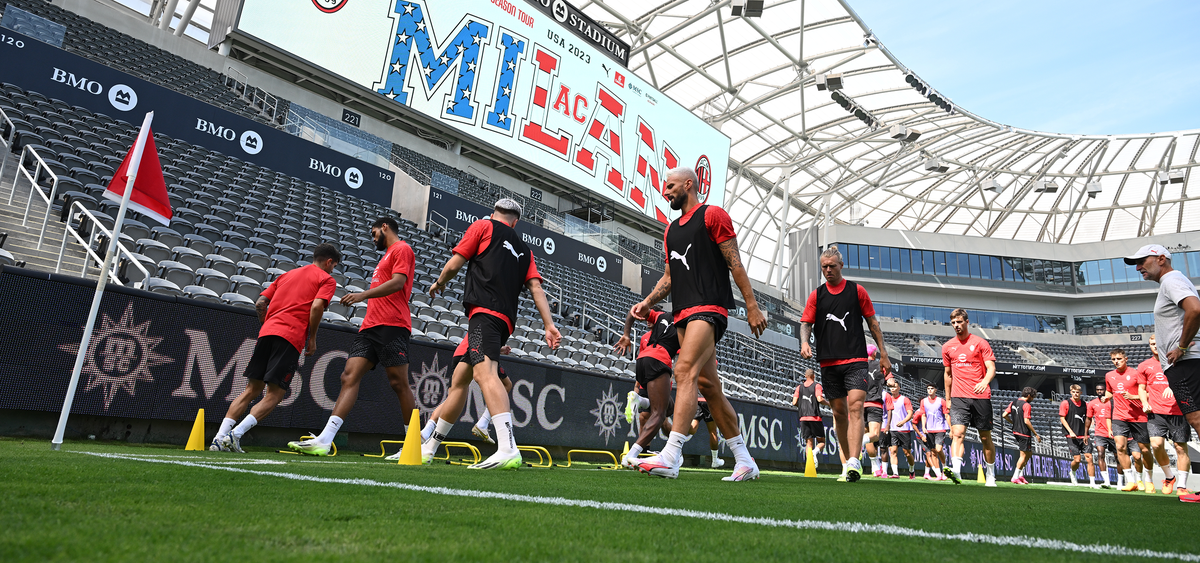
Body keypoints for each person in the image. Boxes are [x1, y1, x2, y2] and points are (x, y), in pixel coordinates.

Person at [632, 167, 767, 481]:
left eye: (670, 186)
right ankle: (744, 459)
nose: (665, 192)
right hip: (682, 312)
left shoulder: (713, 215)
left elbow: (735, 263)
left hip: (710, 307)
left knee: (683, 370)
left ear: (688, 184)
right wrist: (648, 303)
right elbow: (668, 277)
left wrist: (751, 305)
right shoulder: (670, 230)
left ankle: (671, 454)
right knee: (709, 386)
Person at [422, 198, 562, 469]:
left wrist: (439, 282)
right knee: (460, 381)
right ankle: (430, 447)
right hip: (503, 320)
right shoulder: (525, 249)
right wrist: (549, 324)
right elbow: (536, 288)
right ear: (516, 222)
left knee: (483, 375)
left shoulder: (482, 226)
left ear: (493, 213)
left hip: (483, 314)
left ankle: (507, 447)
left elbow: (455, 263)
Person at [289, 218, 416, 456]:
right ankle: (325, 440)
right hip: (369, 327)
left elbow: (398, 283)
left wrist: (363, 295)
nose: (373, 236)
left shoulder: (402, 249)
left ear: (385, 227)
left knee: (399, 384)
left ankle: (413, 444)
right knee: (348, 376)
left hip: (393, 325)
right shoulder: (387, 255)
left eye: (374, 232)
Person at [211, 244, 340, 452]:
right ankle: (235, 436)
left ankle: (218, 438)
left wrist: (267, 325)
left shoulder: (287, 275)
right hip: (290, 337)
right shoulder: (326, 279)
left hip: (267, 333)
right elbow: (317, 306)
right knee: (274, 395)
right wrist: (313, 338)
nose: (333, 270)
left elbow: (260, 303)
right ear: (329, 262)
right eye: (334, 266)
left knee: (250, 390)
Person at [799, 245, 891, 482]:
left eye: (832, 266)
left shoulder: (856, 291)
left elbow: (873, 323)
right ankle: (846, 462)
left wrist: (883, 353)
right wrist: (804, 342)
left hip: (855, 360)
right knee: (839, 413)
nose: (828, 270)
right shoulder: (816, 295)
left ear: (841, 266)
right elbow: (806, 323)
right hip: (829, 363)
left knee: (856, 407)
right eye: (824, 267)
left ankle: (854, 461)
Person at [1127, 243, 1200, 503]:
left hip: (1185, 364)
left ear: (1161, 259)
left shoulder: (1171, 279)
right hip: (1184, 363)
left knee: (1197, 420)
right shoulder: (1171, 282)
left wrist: (1181, 346)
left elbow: (1195, 309)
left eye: (1142, 261)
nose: (1138, 268)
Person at [406, 345, 514, 459]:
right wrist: (497, 348)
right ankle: (483, 424)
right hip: (477, 351)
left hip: (461, 352)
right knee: (505, 384)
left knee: (454, 395)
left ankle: (427, 431)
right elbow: (484, 335)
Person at [615, 307, 680, 469]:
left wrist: (626, 334)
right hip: (660, 360)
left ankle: (642, 401)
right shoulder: (684, 323)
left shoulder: (659, 316)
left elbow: (633, 311)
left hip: (643, 361)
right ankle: (631, 456)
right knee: (659, 414)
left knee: (666, 409)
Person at [942, 308, 997, 486]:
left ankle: (990, 475)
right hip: (959, 397)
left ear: (966, 322)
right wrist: (948, 399)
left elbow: (991, 368)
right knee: (957, 434)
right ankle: (956, 471)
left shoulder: (981, 343)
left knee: (984, 437)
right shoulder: (947, 347)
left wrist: (985, 382)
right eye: (953, 323)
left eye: (959, 322)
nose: (956, 326)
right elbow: (948, 374)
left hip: (980, 396)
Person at [1140, 334, 1191, 496]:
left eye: (1157, 343)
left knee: (1180, 448)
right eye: (1151, 343)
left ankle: (1182, 486)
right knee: (1155, 445)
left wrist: (1174, 387)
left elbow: (1190, 379)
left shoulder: (1177, 360)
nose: (1154, 346)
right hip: (1156, 413)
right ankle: (1169, 477)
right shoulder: (1144, 366)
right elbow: (1141, 389)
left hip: (1178, 411)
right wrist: (1144, 403)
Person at [1105, 348, 1153, 492]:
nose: (1116, 362)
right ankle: (1131, 481)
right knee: (1120, 447)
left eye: (1119, 359)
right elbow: (1110, 391)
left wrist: (1134, 397)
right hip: (1119, 416)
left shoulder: (1136, 373)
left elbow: (1148, 393)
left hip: (1139, 416)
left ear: (1126, 359)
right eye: (1113, 359)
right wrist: (1106, 397)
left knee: (1144, 450)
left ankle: (1148, 480)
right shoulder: (1109, 375)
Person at [1058, 384, 1098, 488]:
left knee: (1090, 458)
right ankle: (1072, 472)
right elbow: (1062, 418)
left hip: (1084, 436)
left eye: (1078, 392)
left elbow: (1089, 417)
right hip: (1071, 436)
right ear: (1071, 392)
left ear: (1081, 393)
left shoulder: (1085, 404)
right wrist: (1070, 432)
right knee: (1077, 460)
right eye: (1074, 392)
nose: (1076, 394)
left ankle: (1092, 483)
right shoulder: (1066, 403)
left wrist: (1091, 422)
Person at [1003, 387, 1042, 485]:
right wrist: (1036, 434)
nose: (1033, 399)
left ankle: (1020, 475)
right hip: (1024, 432)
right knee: (1023, 456)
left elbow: (1004, 415)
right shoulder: (1026, 405)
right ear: (1029, 396)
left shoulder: (1014, 402)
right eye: (1033, 397)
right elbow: (1026, 421)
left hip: (1016, 431)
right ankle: (1015, 477)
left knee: (1029, 454)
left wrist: (1013, 422)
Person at [792, 368, 828, 468]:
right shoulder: (817, 386)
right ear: (814, 376)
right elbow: (819, 398)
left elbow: (794, 402)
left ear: (805, 376)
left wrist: (802, 405)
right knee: (821, 441)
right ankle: (814, 453)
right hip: (815, 417)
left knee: (809, 443)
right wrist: (829, 404)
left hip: (803, 418)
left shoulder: (799, 387)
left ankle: (810, 467)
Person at [862, 345, 888, 477]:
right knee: (875, 435)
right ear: (875, 353)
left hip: (861, 404)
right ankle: (858, 443)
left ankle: (875, 467)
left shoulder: (858, 366)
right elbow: (890, 379)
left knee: (868, 436)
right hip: (874, 402)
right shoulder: (880, 365)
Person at [882, 379, 916, 479]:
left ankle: (911, 469)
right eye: (891, 387)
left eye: (895, 387)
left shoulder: (904, 399)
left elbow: (910, 413)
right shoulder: (887, 399)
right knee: (893, 451)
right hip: (892, 430)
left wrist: (903, 422)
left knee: (907, 452)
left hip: (904, 430)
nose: (893, 389)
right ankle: (895, 473)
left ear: (899, 388)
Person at [917, 383, 949, 480]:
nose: (930, 390)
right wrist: (923, 427)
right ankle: (939, 474)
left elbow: (946, 415)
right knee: (933, 452)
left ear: (936, 390)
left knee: (939, 449)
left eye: (932, 388)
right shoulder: (923, 401)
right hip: (929, 429)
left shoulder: (941, 401)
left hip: (940, 428)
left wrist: (951, 428)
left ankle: (945, 468)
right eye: (928, 389)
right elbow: (923, 415)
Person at [1086, 384, 1114, 488]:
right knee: (1100, 454)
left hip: (1113, 433)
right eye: (1097, 390)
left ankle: (1120, 482)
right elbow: (1088, 418)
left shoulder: (1111, 402)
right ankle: (1106, 481)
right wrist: (1086, 433)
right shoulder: (1092, 403)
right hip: (1099, 432)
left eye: (1101, 389)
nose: (1099, 391)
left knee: (1117, 456)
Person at [691, 395, 725, 468]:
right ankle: (715, 460)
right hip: (709, 400)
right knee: (713, 432)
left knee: (692, 428)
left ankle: (678, 454)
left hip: (696, 399)